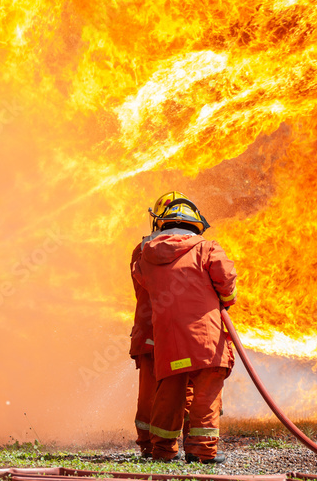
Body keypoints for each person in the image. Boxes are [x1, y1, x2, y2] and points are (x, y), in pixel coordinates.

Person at [133, 199, 237, 464]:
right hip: (205, 338)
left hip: (169, 340)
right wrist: (226, 298)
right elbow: (226, 282)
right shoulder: (207, 248)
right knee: (206, 390)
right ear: (195, 226)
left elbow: (142, 282)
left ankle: (163, 451)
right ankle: (201, 452)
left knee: (169, 392)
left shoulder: (148, 255)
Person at [129, 191, 194, 459]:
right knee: (187, 386)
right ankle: (194, 444)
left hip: (151, 331)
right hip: (184, 333)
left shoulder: (144, 249)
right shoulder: (200, 248)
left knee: (151, 391)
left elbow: (140, 285)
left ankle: (150, 444)